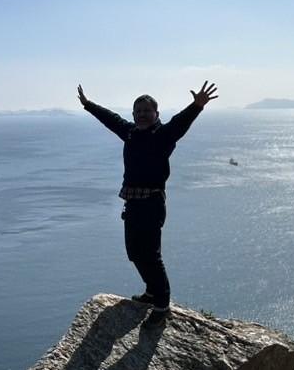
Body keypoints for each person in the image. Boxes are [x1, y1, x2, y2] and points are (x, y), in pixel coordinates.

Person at [77, 80, 218, 320]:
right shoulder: (131, 133)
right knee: (134, 252)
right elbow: (110, 119)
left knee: (150, 254)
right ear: (133, 115)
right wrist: (88, 104)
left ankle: (162, 305)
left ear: (156, 114)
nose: (142, 115)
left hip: (152, 204)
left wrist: (197, 106)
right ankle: (152, 292)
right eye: (138, 111)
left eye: (147, 111)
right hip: (132, 203)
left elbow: (180, 123)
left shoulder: (163, 135)